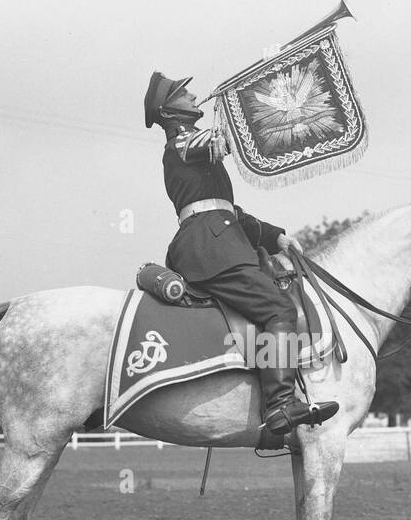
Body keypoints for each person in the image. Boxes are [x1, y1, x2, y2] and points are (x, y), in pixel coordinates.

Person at [144, 71, 339, 435]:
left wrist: (276, 237)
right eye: (185, 93)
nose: (194, 95)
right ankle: (280, 406)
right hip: (210, 249)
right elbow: (223, 141)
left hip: (219, 240)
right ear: (170, 111)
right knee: (280, 308)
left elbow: (230, 214)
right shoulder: (180, 145)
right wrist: (254, 101)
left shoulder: (194, 151)